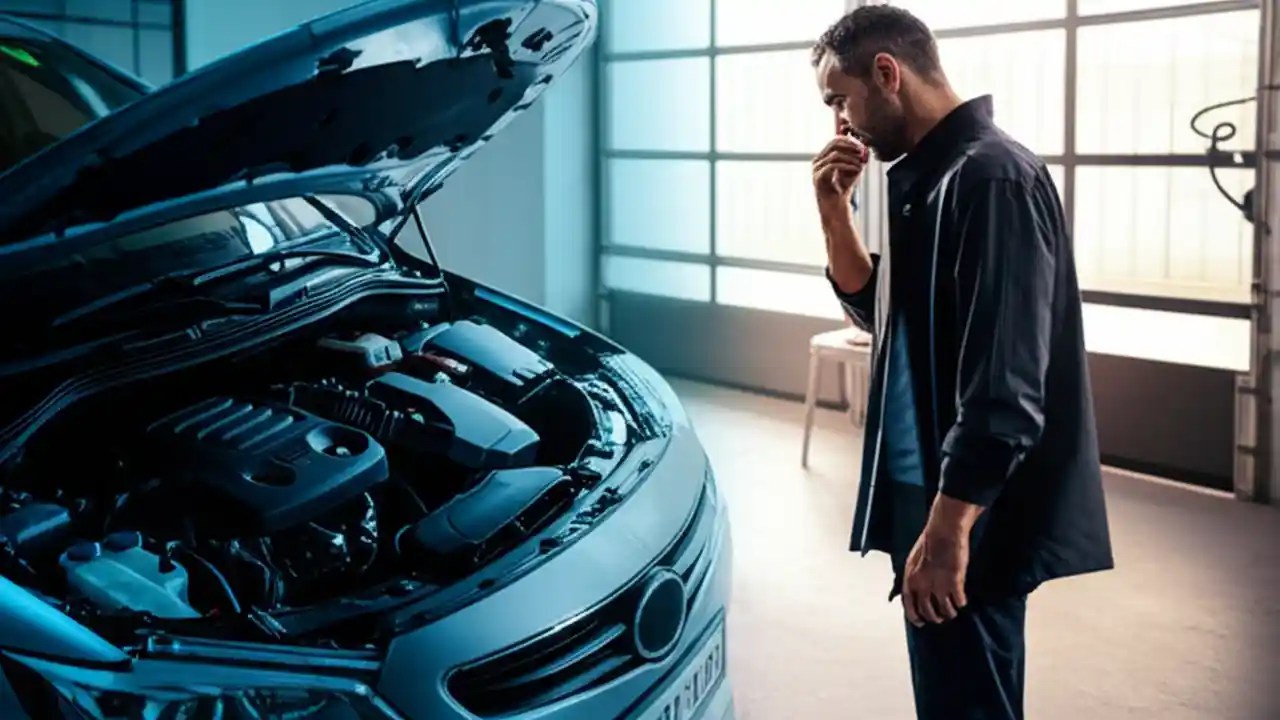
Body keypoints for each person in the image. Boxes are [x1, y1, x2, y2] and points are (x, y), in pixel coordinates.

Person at [809, 6, 1114, 720]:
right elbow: (881, 317)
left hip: (973, 518)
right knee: (952, 697)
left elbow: (1006, 386)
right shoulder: (928, 177)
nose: (840, 125)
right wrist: (832, 211)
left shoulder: (992, 180)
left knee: (969, 705)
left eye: (839, 100)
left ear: (887, 73)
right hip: (932, 498)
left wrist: (949, 532)